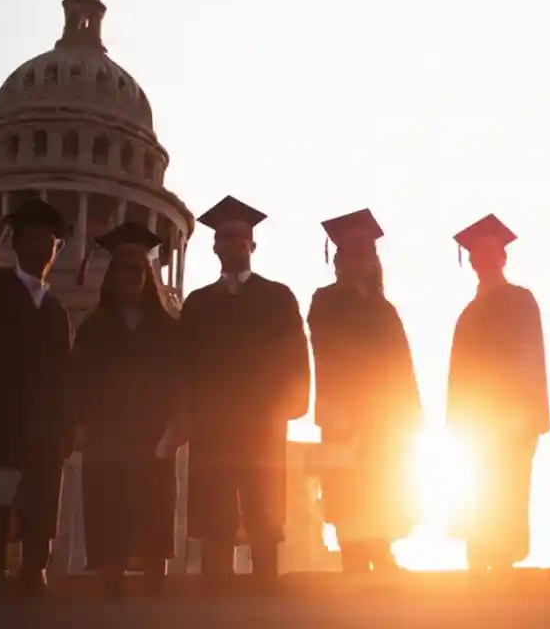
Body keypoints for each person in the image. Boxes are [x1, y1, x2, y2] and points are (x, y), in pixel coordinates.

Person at [179, 197, 310, 591]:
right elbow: (185, 365)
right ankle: (215, 589)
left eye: (240, 237)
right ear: (214, 246)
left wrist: (292, 403)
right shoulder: (198, 304)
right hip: (213, 425)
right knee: (214, 505)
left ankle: (266, 585)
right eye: (224, 237)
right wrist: (188, 410)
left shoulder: (278, 297)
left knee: (264, 505)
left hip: (261, 421)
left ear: (252, 245)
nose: (232, 244)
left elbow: (296, 354)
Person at [70, 223, 181, 597]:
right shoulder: (94, 326)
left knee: (154, 503)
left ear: (147, 276)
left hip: (153, 432)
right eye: (122, 269)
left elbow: (181, 380)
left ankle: (154, 575)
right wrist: (82, 423)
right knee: (109, 503)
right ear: (111, 276)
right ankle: (110, 576)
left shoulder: (168, 328)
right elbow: (80, 381)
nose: (130, 277)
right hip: (108, 431)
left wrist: (176, 424)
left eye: (137, 270)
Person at [308, 209, 421, 574]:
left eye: (367, 251)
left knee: (382, 483)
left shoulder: (384, 309)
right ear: (339, 259)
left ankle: (381, 551)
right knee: (350, 488)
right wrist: (333, 404)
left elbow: (403, 364)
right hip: (346, 409)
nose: (362, 258)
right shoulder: (326, 301)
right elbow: (327, 352)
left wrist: (411, 413)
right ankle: (355, 556)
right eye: (354, 251)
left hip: (385, 417)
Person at [447, 214, 549, 577]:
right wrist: (455, 429)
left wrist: (532, 417)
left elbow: (533, 357)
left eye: (492, 255)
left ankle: (502, 565)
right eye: (478, 256)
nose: (484, 262)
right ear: (471, 262)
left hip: (513, 421)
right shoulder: (467, 315)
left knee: (508, 493)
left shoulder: (521, 300)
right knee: (479, 494)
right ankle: (479, 561)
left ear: (503, 258)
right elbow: (456, 381)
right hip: (475, 426)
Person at [0, 199, 72, 596]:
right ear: (16, 244)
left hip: (45, 422)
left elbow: (64, 374)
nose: (42, 248)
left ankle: (33, 567)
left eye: (50, 242)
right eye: (33, 239)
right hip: (2, 416)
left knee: (42, 495)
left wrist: (67, 426)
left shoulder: (56, 310)